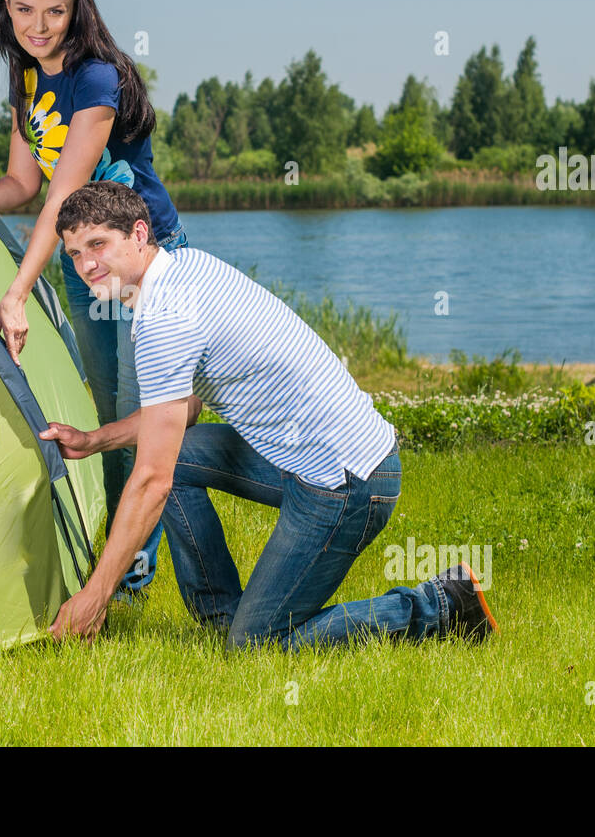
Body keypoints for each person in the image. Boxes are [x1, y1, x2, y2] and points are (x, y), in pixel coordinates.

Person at [40, 181, 500, 648]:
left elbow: (151, 480)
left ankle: (440, 604)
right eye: (74, 253)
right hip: (322, 457)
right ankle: (223, 617)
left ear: (139, 234)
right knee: (178, 460)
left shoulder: (165, 318)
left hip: (347, 483)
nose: (86, 266)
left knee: (256, 645)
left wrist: (95, 595)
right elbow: (183, 412)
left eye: (98, 244)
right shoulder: (185, 267)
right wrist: (94, 440)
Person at [0, 0, 184, 599]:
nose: (39, 25)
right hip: (87, 267)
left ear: (76, 10)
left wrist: (17, 291)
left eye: (54, 12)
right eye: (26, 9)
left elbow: (65, 192)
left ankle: (125, 580)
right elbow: (22, 184)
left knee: (136, 410)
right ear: (7, 7)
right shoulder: (26, 80)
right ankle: (116, 564)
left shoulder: (96, 79)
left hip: (143, 264)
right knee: (108, 403)